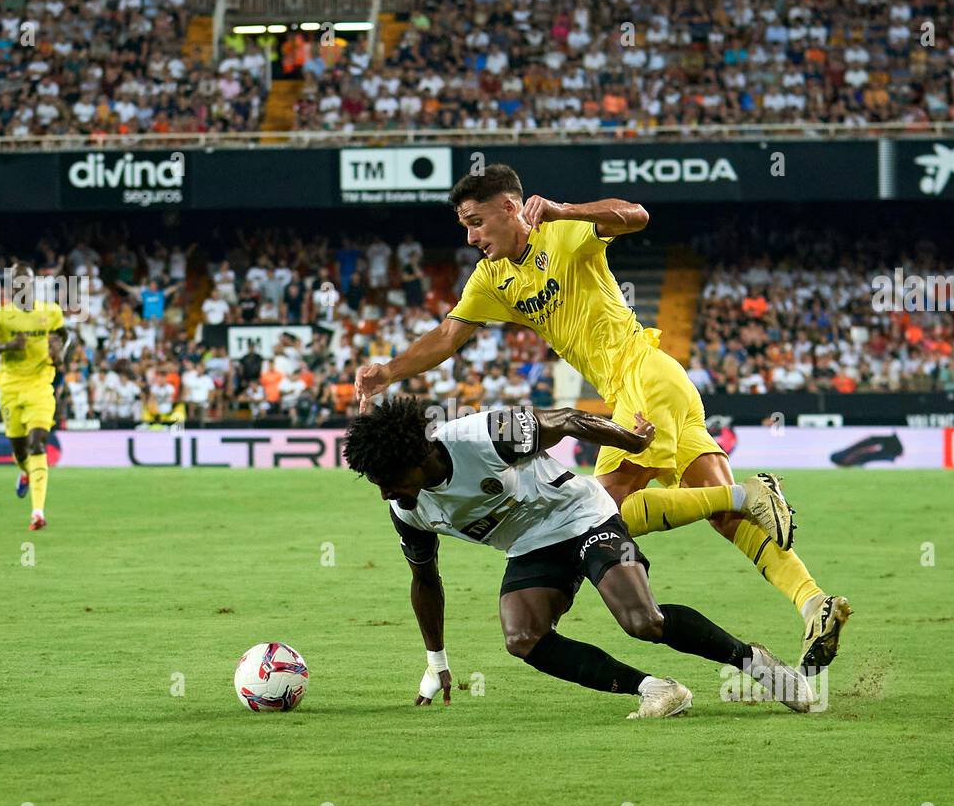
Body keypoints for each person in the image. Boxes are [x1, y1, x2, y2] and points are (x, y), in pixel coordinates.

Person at [355, 164, 850, 675]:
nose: (470, 236)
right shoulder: (493, 279)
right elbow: (446, 337)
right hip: (658, 384)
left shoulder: (561, 232)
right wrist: (387, 371)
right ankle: (813, 602)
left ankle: (746, 492)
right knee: (725, 522)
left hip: (641, 376)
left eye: (475, 222)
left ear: (509, 208)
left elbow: (636, 215)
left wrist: (564, 208)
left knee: (602, 511)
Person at [343, 397, 811, 718]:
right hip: (530, 546)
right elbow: (426, 580)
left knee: (641, 620)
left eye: (389, 477)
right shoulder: (408, 511)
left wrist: (632, 442)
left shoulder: (480, 436)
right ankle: (657, 689)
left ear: (419, 454)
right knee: (523, 637)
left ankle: (756, 663)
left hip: (585, 515)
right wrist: (436, 661)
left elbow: (566, 419)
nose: (385, 491)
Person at [0, 263, 68, 530]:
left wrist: (59, 353)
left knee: (38, 444)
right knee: (19, 450)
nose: (21, 287)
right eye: (16, 284)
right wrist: (7, 346)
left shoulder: (49, 311)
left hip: (40, 385)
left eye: (25, 283)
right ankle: (26, 474)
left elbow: (64, 335)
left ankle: (38, 512)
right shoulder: (1, 315)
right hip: (11, 387)